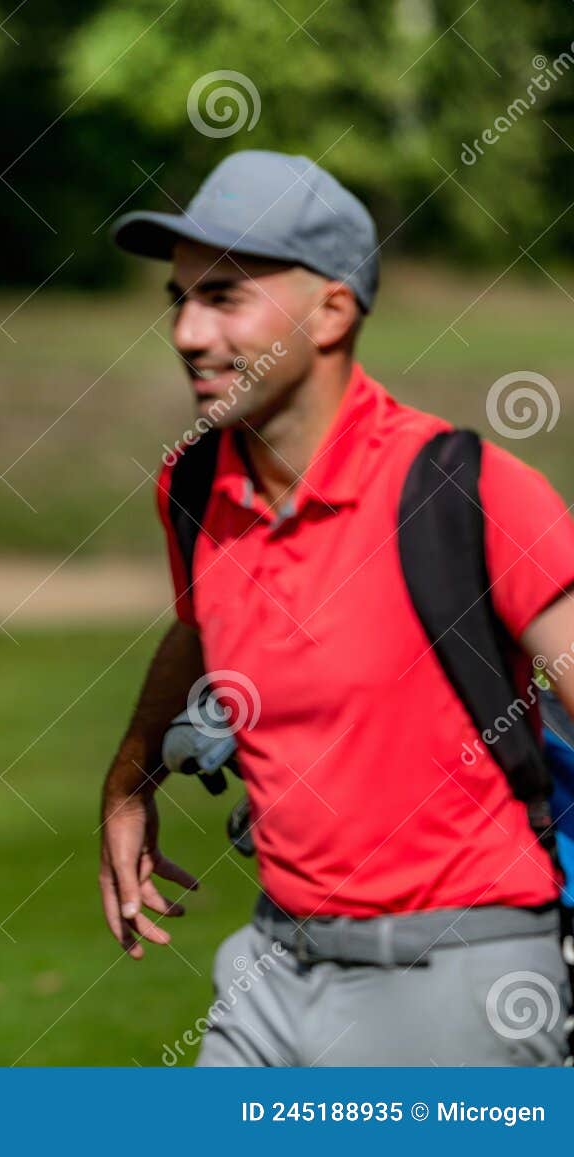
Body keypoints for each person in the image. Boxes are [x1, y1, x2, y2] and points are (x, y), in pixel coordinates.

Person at [97, 150, 574, 1065]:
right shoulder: (196, 483)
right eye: (178, 299)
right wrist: (129, 782)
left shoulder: (468, 492)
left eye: (226, 297)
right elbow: (200, 629)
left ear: (333, 310)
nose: (189, 332)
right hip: (272, 970)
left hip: (459, 981)